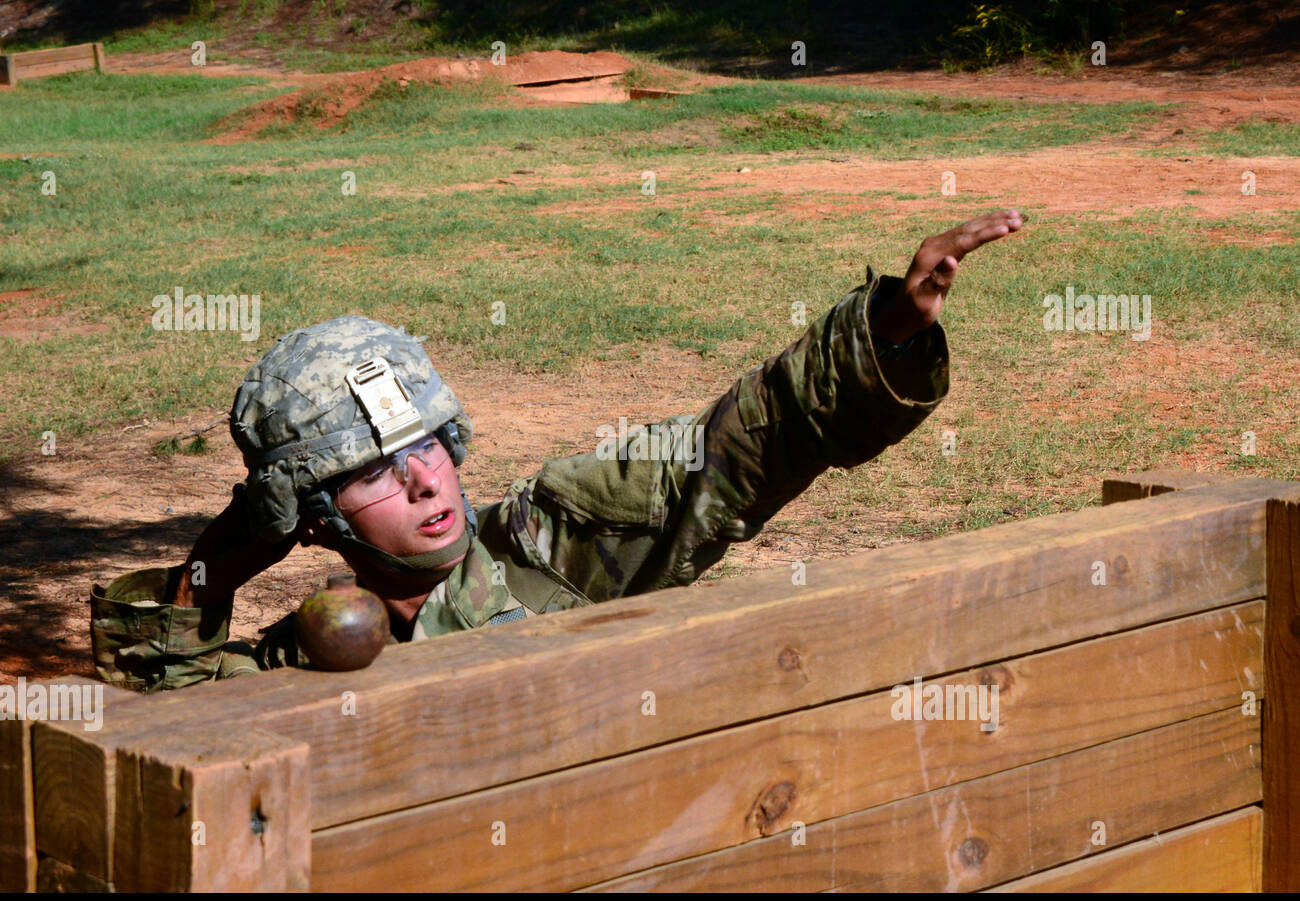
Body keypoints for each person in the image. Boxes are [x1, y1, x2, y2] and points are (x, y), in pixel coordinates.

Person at [90, 210, 1024, 692]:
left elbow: (740, 448)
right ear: (317, 518)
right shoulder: (304, 660)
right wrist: (221, 559)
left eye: (428, 445)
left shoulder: (554, 542)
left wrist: (890, 327)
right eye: (375, 470)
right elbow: (158, 708)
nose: (425, 480)